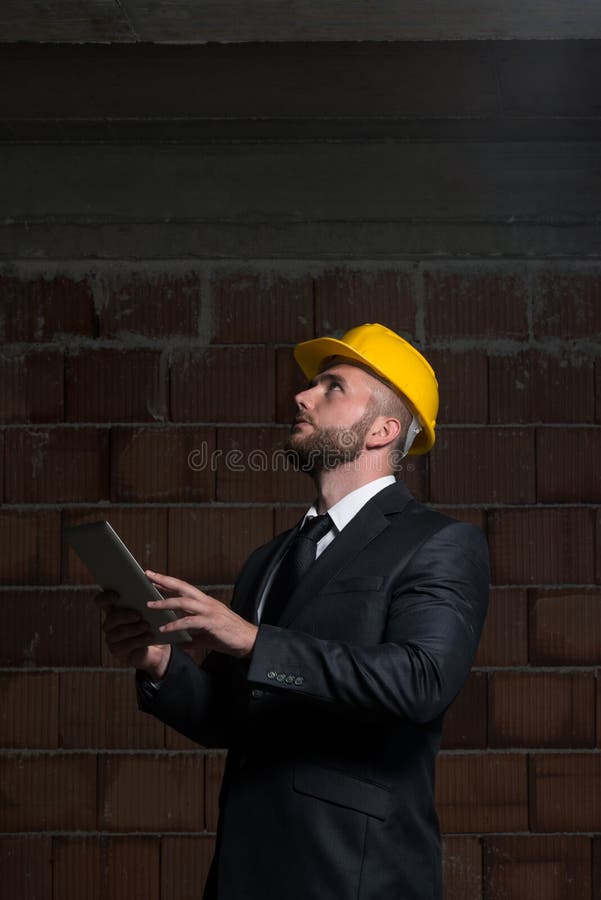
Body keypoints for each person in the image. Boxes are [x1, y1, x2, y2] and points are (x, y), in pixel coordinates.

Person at [97, 322, 489, 900]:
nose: (303, 397)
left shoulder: (438, 543)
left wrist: (256, 642)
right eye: (311, 385)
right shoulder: (270, 559)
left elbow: (421, 681)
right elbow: (232, 717)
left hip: (355, 876)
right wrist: (160, 663)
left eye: (332, 387)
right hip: (243, 873)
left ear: (382, 429)